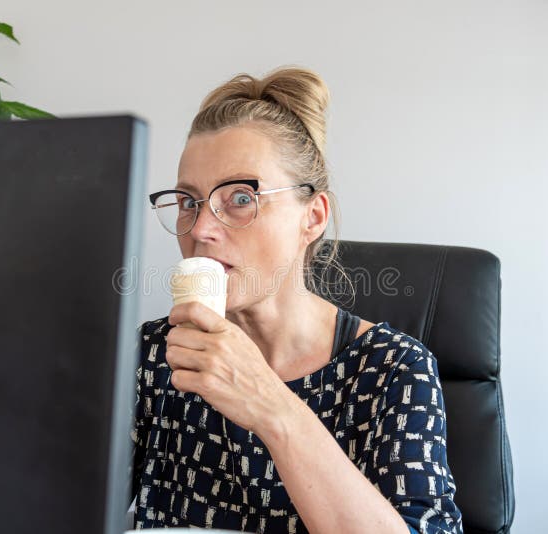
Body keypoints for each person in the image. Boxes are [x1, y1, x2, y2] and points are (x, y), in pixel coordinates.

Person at [130, 67, 463, 534]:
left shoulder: (395, 370)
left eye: (240, 198)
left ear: (313, 217)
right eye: (189, 201)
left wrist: (271, 406)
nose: (201, 229)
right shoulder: (155, 354)